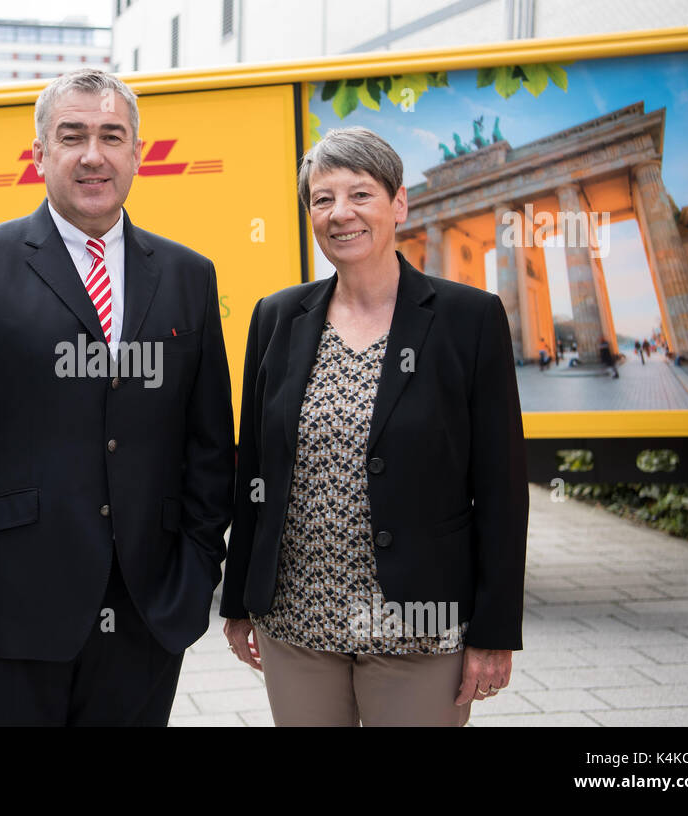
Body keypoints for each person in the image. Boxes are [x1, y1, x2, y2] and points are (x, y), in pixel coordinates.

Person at [0, 68, 235, 726]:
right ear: (40, 153)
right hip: (7, 625)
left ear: (138, 153)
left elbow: (210, 445)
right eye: (71, 135)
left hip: (146, 621)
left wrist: (193, 580)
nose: (92, 154)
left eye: (112, 136)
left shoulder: (189, 276)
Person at [220, 127, 528, 726]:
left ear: (399, 204)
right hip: (297, 623)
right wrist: (238, 601)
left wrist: (494, 631)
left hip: (420, 629)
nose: (340, 214)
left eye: (360, 194)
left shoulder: (469, 319)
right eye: (322, 198)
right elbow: (253, 469)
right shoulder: (278, 316)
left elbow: (501, 489)